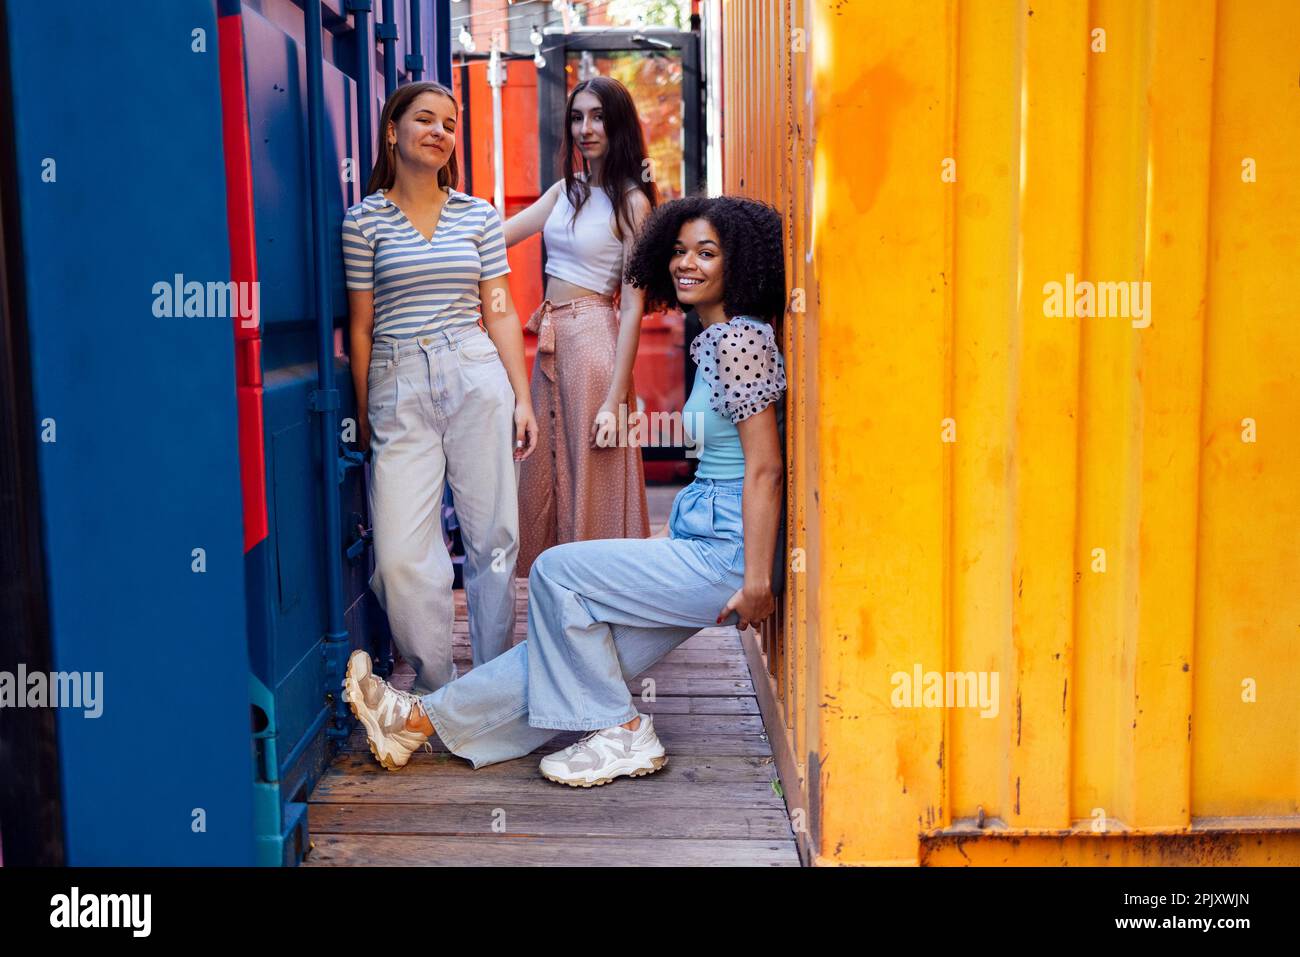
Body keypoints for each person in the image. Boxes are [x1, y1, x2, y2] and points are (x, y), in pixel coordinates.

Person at [343, 196, 787, 787]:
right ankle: (415, 723)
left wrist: (756, 581)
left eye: (707, 252)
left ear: (742, 263)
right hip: (706, 534)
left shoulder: (737, 341)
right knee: (567, 656)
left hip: (728, 553)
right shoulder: (721, 337)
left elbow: (765, 470)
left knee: (556, 573)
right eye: (678, 250)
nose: (686, 263)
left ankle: (625, 732)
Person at [341, 81, 538, 696]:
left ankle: (495, 683)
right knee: (400, 557)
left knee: (494, 537)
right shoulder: (363, 220)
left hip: (474, 370)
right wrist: (364, 412)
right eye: (425, 120)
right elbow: (362, 325)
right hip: (397, 382)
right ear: (392, 131)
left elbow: (500, 308)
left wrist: (522, 395)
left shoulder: (477, 216)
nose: (440, 132)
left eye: (449, 125)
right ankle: (437, 685)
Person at [502, 75, 657, 577]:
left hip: (594, 342)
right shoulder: (564, 191)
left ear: (618, 125)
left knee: (595, 471)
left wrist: (617, 399)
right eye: (577, 117)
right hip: (551, 344)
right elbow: (499, 237)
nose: (585, 128)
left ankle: (605, 596)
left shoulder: (633, 201)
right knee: (544, 471)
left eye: (597, 116)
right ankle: (561, 592)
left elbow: (631, 306)